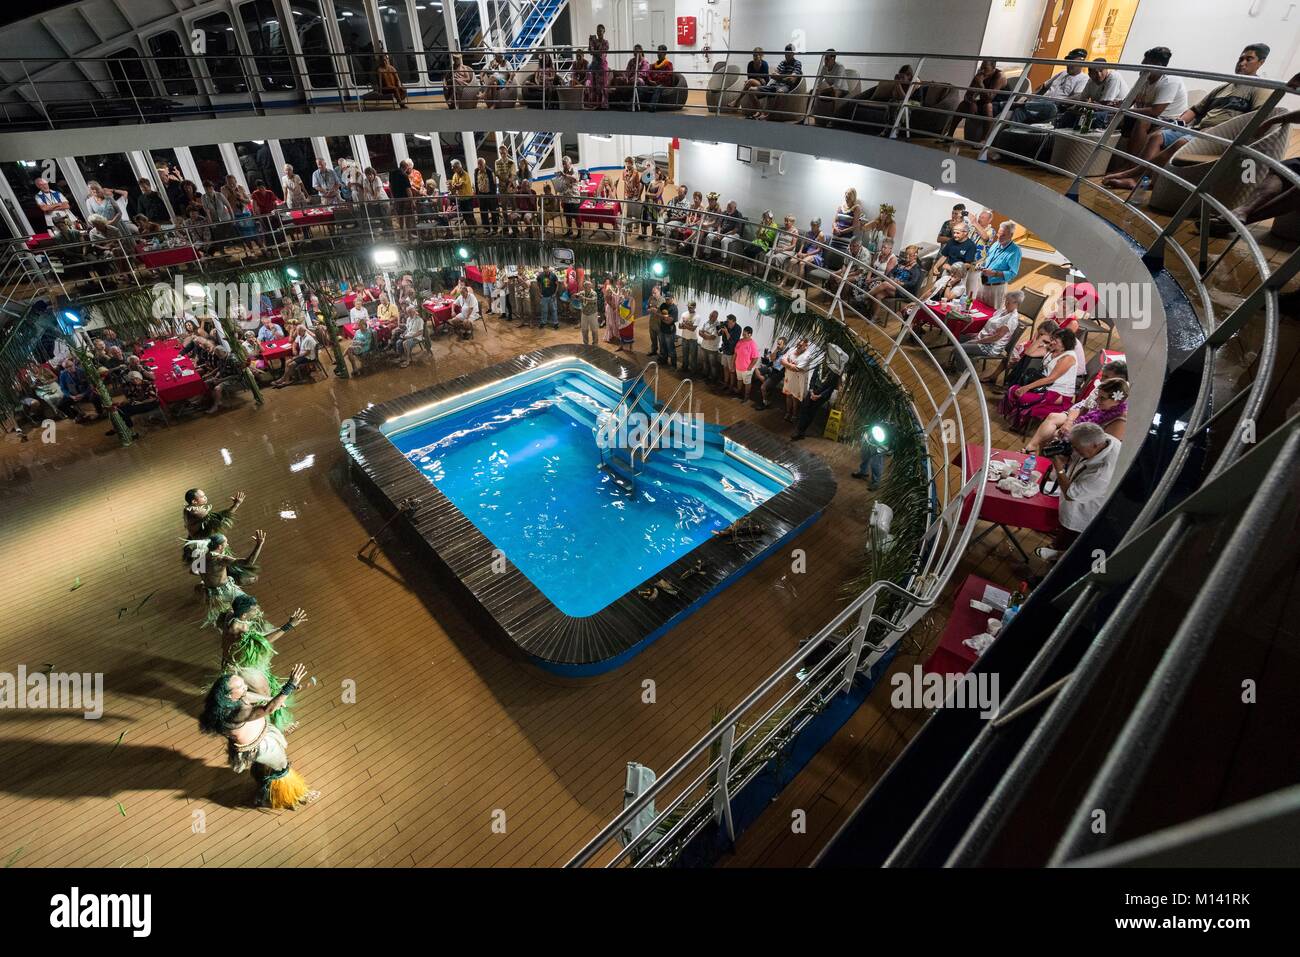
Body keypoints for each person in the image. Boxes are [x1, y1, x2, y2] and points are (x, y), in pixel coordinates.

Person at [1103, 44, 1275, 191]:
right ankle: (1140, 177)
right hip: (1198, 130)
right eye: (1240, 59)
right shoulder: (1224, 87)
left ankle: (1132, 173)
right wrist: (1178, 123)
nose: (1242, 63)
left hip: (1219, 135)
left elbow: (1258, 116)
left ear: (1261, 63)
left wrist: (1224, 131)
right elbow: (1195, 109)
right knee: (1157, 137)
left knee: (1180, 143)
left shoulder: (1260, 88)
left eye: (1248, 59)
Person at [198, 661, 318, 810]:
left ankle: (264, 783)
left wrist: (272, 699)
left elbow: (247, 696)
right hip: (262, 746)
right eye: (241, 686)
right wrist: (290, 686)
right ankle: (294, 796)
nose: (245, 687)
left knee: (263, 767)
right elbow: (268, 709)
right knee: (281, 768)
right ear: (230, 694)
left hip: (256, 742)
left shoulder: (221, 701)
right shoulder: (236, 713)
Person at [1035, 422, 1122, 561]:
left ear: (1094, 445)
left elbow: (1071, 495)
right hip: (1078, 486)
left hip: (1086, 504)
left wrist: (1059, 466)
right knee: (1066, 531)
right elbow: (1078, 453)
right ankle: (1055, 550)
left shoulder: (1102, 473)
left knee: (1073, 533)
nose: (1074, 450)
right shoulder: (1102, 438)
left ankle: (1058, 561)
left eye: (1077, 448)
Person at [1001, 327, 1078, 430]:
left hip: (1058, 392)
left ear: (1065, 343)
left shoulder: (1068, 357)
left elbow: (1051, 379)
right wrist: (1041, 339)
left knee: (1024, 397)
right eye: (1053, 338)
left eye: (1056, 341)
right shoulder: (1051, 349)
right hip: (1044, 386)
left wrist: (1027, 387)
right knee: (1013, 389)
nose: (1053, 342)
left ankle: (1019, 425)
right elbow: (1028, 353)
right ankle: (1014, 418)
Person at [1026, 377, 1128, 454]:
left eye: (1102, 398)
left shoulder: (1119, 422)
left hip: (1085, 450)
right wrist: (1070, 424)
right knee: (1054, 434)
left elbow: (1099, 450)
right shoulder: (1104, 407)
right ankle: (1035, 454)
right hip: (1081, 436)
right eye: (1098, 397)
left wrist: (1072, 435)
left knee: (1054, 437)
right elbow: (1081, 411)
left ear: (1117, 400)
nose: (1097, 400)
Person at [1007, 47, 1089, 127]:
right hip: (1041, 101)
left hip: (1055, 106)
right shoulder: (1062, 73)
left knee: (1050, 105)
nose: (1068, 64)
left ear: (1081, 63)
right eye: (1068, 61)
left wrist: (1059, 101)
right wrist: (1029, 96)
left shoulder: (1084, 78)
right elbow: (1043, 87)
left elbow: (1078, 96)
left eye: (1072, 62)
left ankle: (1016, 104)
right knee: (1019, 111)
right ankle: (1008, 135)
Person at [948, 288, 1025, 372]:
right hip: (984, 338)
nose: (1006, 303)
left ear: (1016, 304)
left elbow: (996, 338)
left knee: (959, 348)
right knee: (956, 337)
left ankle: (964, 371)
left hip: (991, 346)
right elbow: (991, 327)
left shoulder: (1012, 319)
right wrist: (978, 335)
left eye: (1008, 302)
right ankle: (957, 363)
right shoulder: (1004, 310)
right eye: (1006, 301)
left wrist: (977, 341)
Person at [745, 43, 802, 119]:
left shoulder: (797, 63)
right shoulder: (782, 63)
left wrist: (779, 77)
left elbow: (792, 79)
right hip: (774, 85)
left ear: (793, 54)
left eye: (789, 53)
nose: (787, 55)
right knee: (751, 90)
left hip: (785, 86)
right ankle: (759, 111)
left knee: (780, 92)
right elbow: (773, 75)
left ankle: (769, 115)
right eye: (786, 53)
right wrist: (783, 77)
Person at [976, 221, 1022, 309]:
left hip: (996, 288)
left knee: (991, 315)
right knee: (977, 309)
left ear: (1011, 235)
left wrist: (994, 273)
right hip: (982, 284)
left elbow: (1012, 273)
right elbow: (987, 259)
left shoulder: (1015, 251)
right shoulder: (996, 244)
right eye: (999, 234)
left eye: (1003, 235)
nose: (999, 237)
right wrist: (981, 264)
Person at [956, 60, 1005, 142]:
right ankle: (949, 135)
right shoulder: (980, 75)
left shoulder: (1000, 77)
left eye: (985, 68)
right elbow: (967, 94)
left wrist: (981, 84)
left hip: (1000, 104)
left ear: (993, 68)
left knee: (987, 106)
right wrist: (972, 102)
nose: (982, 70)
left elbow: (990, 98)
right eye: (981, 67)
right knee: (962, 105)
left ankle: (983, 140)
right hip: (985, 101)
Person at [793, 358, 841, 439]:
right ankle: (799, 428)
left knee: (811, 412)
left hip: (822, 395)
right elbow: (813, 379)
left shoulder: (835, 372)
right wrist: (811, 391)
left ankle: (801, 431)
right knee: (804, 408)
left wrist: (820, 396)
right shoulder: (819, 366)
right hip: (813, 391)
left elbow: (831, 388)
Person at [811, 49, 851, 121]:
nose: (825, 61)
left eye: (827, 59)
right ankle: (808, 115)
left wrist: (821, 91)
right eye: (824, 59)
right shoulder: (824, 67)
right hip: (831, 89)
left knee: (834, 92)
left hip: (842, 90)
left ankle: (832, 119)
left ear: (833, 59)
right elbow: (818, 81)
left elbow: (836, 86)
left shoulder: (840, 67)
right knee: (812, 92)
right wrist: (816, 89)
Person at [781, 338, 813, 422]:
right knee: (788, 395)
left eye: (800, 345)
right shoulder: (793, 349)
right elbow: (782, 360)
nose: (798, 346)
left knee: (795, 398)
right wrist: (790, 365)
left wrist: (787, 364)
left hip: (798, 380)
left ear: (806, 346)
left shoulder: (807, 356)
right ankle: (788, 412)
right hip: (789, 377)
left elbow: (797, 369)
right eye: (798, 344)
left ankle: (794, 415)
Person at [753, 336, 788, 410]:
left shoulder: (787, 353)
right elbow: (771, 359)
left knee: (763, 387)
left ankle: (765, 402)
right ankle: (766, 383)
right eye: (777, 344)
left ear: (784, 345)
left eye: (779, 344)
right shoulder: (778, 351)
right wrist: (776, 350)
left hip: (778, 373)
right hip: (772, 368)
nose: (778, 345)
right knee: (756, 370)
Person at [790, 218, 827, 286]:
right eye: (811, 225)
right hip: (806, 253)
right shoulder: (809, 233)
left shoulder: (821, 235)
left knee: (802, 263)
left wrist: (806, 255)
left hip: (816, 255)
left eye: (814, 225)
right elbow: (803, 243)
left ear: (818, 226)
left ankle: (796, 285)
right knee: (792, 261)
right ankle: (783, 282)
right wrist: (800, 252)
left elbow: (818, 250)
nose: (812, 227)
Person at [643, 45, 675, 112]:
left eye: (661, 52)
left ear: (665, 53)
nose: (659, 54)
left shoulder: (668, 64)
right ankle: (638, 105)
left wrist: (657, 82)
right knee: (642, 86)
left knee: (658, 88)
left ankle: (652, 107)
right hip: (653, 83)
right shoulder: (654, 65)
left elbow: (668, 75)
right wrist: (650, 80)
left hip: (664, 84)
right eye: (658, 52)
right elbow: (648, 73)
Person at [587, 24, 611, 109]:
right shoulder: (594, 41)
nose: (599, 32)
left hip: (602, 66)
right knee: (594, 85)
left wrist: (594, 50)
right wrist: (590, 42)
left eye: (600, 31)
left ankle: (604, 104)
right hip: (594, 65)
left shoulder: (606, 42)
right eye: (597, 31)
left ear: (604, 31)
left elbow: (601, 54)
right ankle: (595, 104)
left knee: (603, 85)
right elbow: (590, 51)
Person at [733, 325, 759, 401]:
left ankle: (746, 397)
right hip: (738, 366)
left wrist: (750, 367)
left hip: (746, 368)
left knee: (747, 383)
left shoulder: (752, 344)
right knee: (739, 380)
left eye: (745, 334)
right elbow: (735, 353)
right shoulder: (740, 341)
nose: (743, 336)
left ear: (750, 334)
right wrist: (733, 363)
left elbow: (756, 357)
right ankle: (739, 393)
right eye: (743, 334)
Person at [473, 157, 499, 232]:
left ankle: (495, 229)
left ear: (484, 164)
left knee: (493, 212)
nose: (480, 166)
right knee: (483, 213)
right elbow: (476, 182)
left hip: (489, 195)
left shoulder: (490, 171)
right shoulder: (476, 171)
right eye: (478, 164)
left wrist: (493, 196)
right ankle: (486, 229)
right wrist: (477, 194)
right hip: (481, 195)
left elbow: (493, 184)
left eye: (481, 164)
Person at [719, 314, 742, 392]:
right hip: (725, 349)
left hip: (732, 352)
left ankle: (731, 386)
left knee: (731, 370)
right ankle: (725, 383)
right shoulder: (725, 323)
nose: (728, 324)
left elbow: (732, 341)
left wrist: (726, 332)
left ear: (734, 322)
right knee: (725, 367)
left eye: (729, 322)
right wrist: (720, 330)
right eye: (727, 321)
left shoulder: (738, 329)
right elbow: (719, 333)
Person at [697, 310, 721, 382]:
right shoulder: (707, 322)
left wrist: (704, 334)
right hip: (704, 346)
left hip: (712, 349)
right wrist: (706, 335)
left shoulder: (718, 326)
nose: (710, 316)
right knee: (705, 362)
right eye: (710, 315)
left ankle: (713, 379)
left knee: (713, 365)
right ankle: (705, 376)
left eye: (712, 316)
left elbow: (712, 337)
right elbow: (700, 332)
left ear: (716, 317)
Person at [578, 279, 601, 346]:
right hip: (584, 313)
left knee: (594, 330)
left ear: (590, 287)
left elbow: (593, 300)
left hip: (592, 314)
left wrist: (583, 298)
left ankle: (595, 344)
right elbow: (576, 297)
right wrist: (576, 296)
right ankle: (585, 343)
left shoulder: (594, 293)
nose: (586, 288)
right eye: (585, 287)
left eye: (587, 287)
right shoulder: (582, 292)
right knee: (584, 329)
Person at [677, 301, 699, 373]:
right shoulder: (684, 314)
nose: (689, 308)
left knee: (693, 356)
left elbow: (693, 329)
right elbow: (680, 326)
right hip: (684, 337)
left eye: (691, 307)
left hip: (693, 339)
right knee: (685, 354)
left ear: (695, 307)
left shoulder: (697, 316)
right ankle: (685, 367)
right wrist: (688, 326)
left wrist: (684, 324)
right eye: (688, 307)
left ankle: (693, 370)